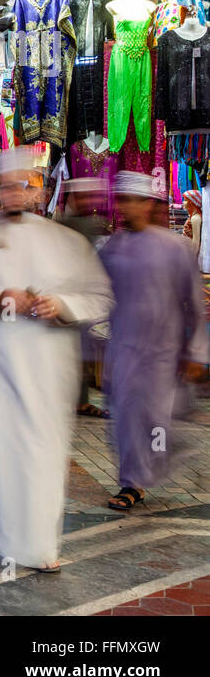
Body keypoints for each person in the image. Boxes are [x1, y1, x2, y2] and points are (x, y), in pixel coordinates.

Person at [0, 148, 114, 572]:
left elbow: (99, 296)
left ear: (39, 190)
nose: (15, 193)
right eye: (7, 184)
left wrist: (61, 304)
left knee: (37, 455)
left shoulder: (66, 242)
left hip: (42, 374)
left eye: (24, 185)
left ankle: (34, 546)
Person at [101, 172, 208, 511]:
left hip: (163, 351)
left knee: (155, 419)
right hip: (123, 349)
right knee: (126, 417)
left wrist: (196, 352)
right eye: (122, 201)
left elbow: (194, 302)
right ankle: (131, 483)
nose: (127, 207)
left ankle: (155, 463)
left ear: (148, 204)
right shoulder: (112, 249)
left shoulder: (174, 247)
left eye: (134, 200)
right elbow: (99, 299)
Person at [58, 177, 113, 418]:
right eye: (85, 196)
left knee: (81, 353)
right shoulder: (62, 226)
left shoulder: (96, 225)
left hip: (86, 298)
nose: (90, 201)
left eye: (93, 196)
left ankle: (79, 400)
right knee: (71, 353)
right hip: (66, 298)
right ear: (74, 199)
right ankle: (74, 401)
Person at [183, 189, 202, 257]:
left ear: (191, 202)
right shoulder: (193, 216)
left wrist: (192, 258)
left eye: (185, 200)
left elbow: (196, 241)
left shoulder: (195, 218)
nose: (183, 202)